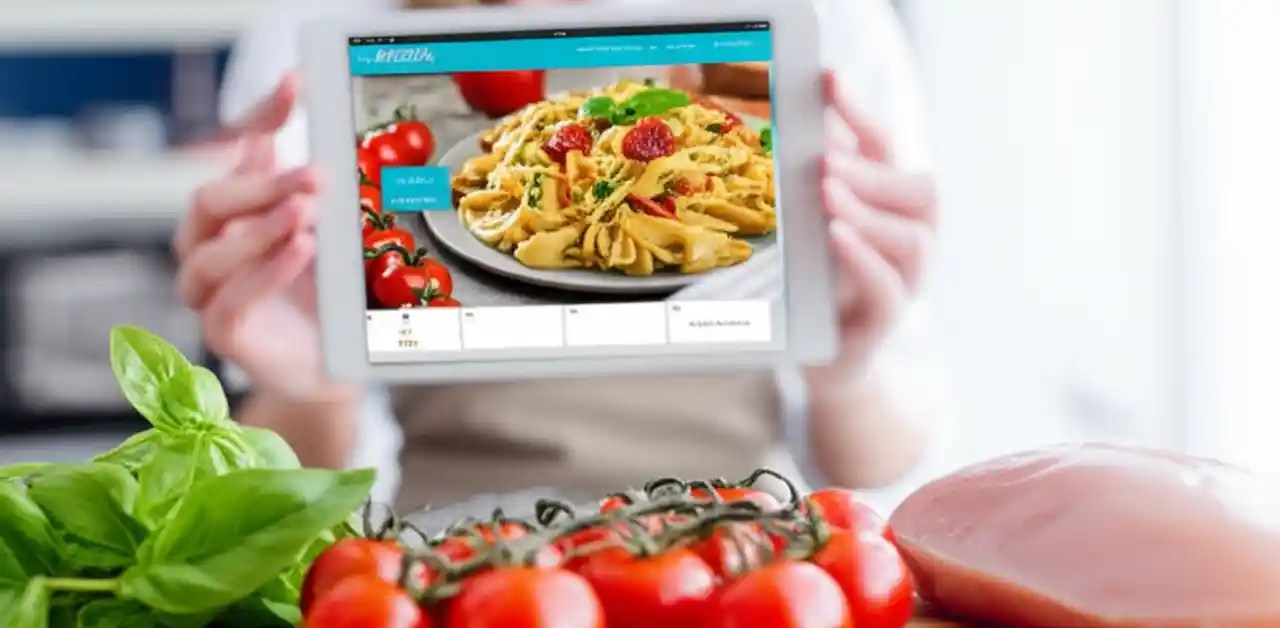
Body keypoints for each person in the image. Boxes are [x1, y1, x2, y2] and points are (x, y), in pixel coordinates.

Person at [175, 0, 949, 517]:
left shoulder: (828, 20)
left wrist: (843, 368)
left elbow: (885, 459)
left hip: (741, 555)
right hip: (445, 560)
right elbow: (306, 479)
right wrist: (317, 387)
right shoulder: (317, 26)